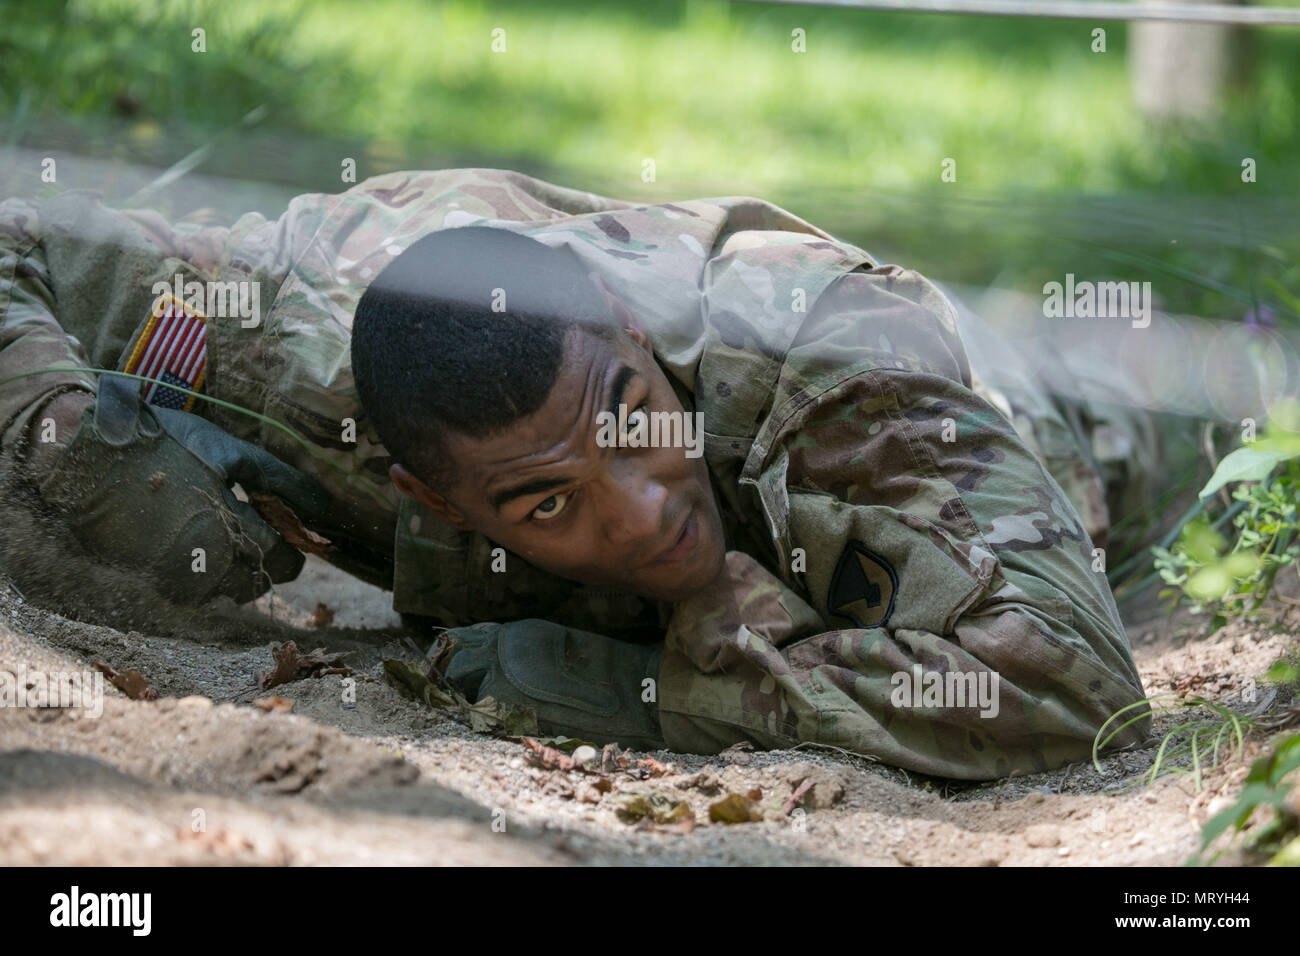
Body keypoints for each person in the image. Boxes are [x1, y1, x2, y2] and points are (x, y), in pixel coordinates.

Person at [0, 168, 1151, 779]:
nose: (647, 516)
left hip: (1066, 420)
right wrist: (86, 450)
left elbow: (1080, 692)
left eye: (629, 418)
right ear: (433, 498)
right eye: (547, 502)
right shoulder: (293, 342)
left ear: (628, 326)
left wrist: (641, 688)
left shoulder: (835, 362)